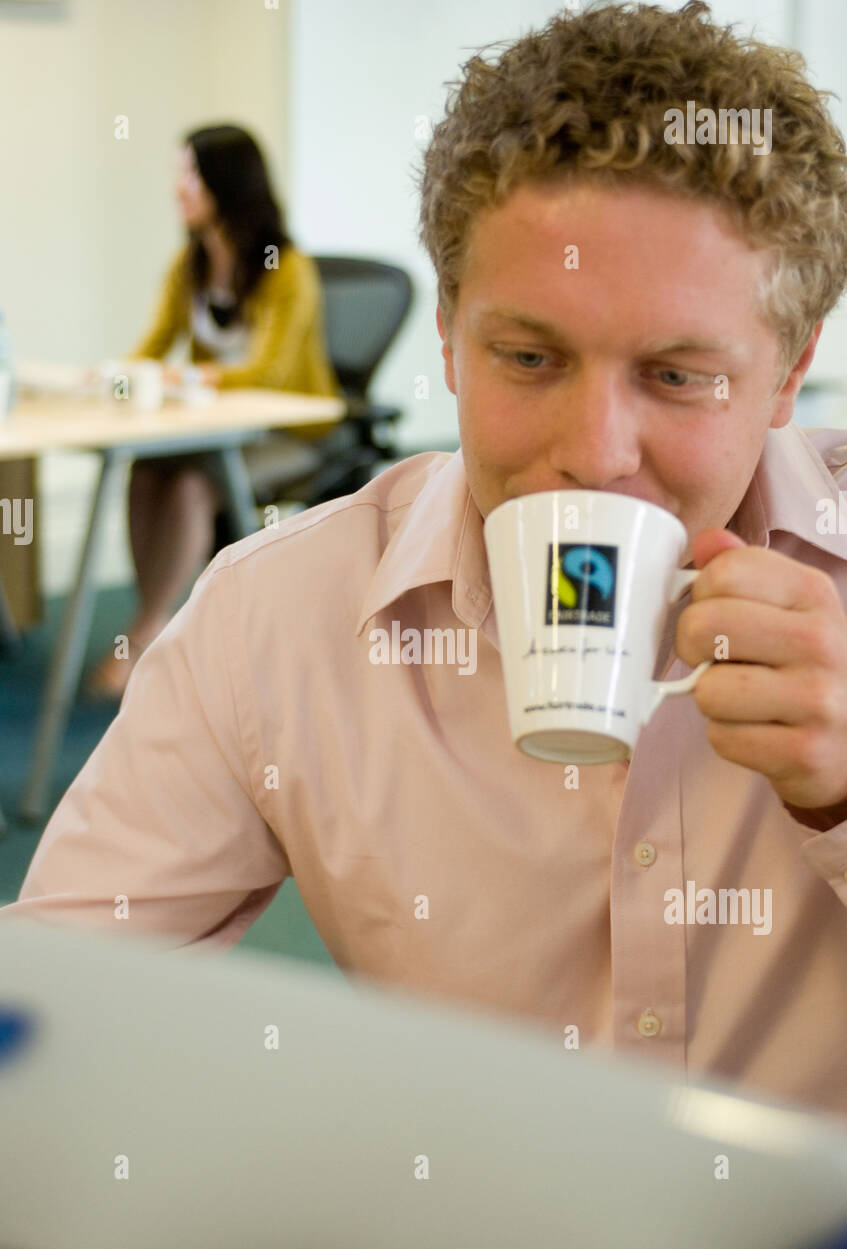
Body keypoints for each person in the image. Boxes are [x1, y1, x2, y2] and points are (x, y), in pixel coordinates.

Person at [4, 1, 847, 1121]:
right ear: (447, 333)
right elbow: (50, 1011)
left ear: (789, 371)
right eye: (529, 355)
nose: (593, 452)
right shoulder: (279, 620)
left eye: (677, 375)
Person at [86, 124, 343, 698]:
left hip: (289, 430)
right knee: (146, 470)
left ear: (227, 184)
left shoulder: (286, 268)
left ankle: (148, 628)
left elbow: (271, 372)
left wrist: (191, 375)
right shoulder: (191, 267)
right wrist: (115, 376)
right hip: (217, 431)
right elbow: (154, 344)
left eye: (190, 174)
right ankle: (156, 620)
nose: (178, 188)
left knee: (190, 488)